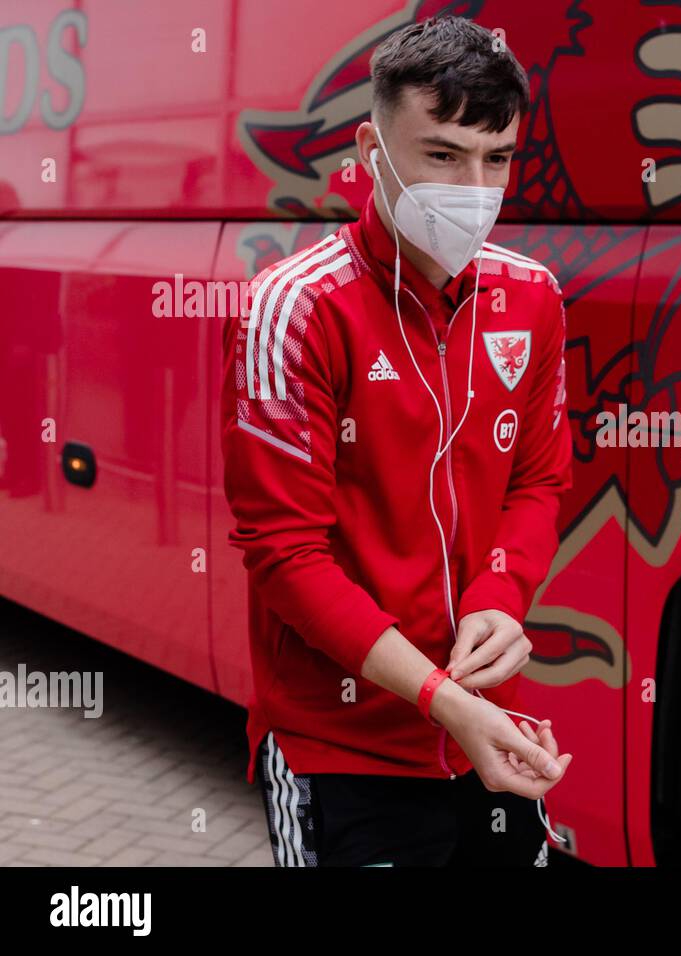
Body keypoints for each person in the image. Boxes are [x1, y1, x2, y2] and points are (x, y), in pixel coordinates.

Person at [220, 15, 573, 867]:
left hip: (489, 734)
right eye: (442, 155)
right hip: (340, 751)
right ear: (370, 148)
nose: (475, 189)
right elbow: (283, 553)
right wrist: (441, 698)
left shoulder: (534, 297)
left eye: (498, 160)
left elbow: (538, 483)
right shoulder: (296, 306)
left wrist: (501, 592)